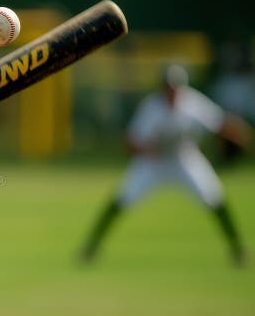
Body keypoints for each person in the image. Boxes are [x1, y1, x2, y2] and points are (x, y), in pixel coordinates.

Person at [77, 63, 251, 267]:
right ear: (162, 87)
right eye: (169, 87)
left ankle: (238, 249)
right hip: (154, 163)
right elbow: (130, 142)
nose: (172, 91)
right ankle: (90, 248)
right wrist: (146, 151)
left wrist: (242, 135)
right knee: (122, 198)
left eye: (176, 87)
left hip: (184, 159)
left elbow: (222, 124)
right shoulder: (152, 108)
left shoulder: (193, 104)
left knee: (214, 196)